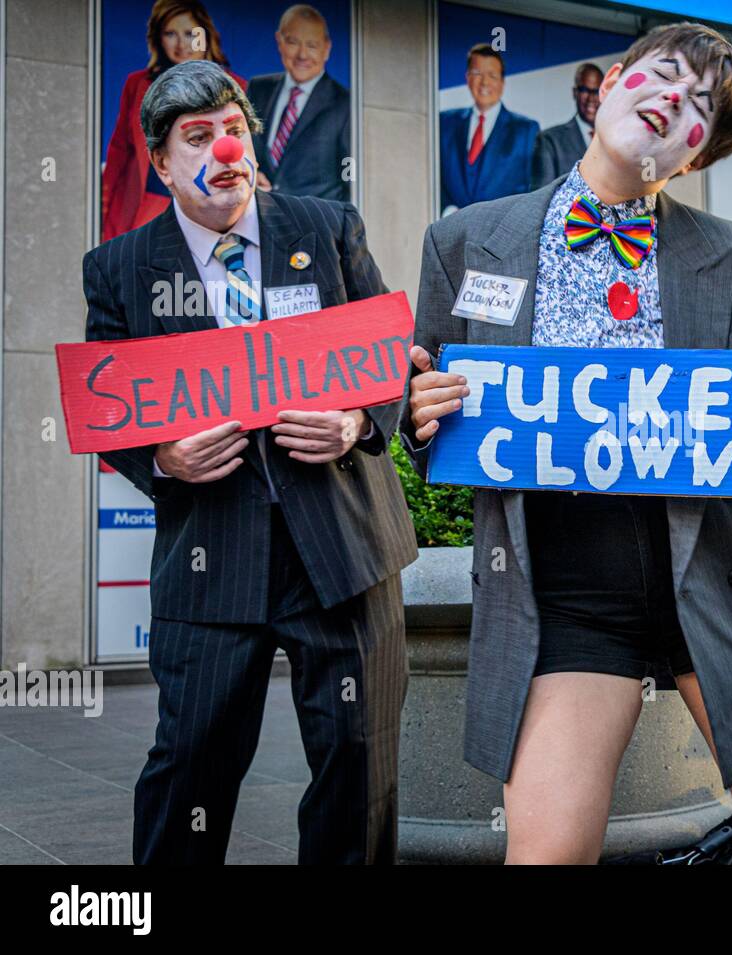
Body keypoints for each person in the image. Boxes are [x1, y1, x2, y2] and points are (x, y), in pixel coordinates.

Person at [403, 22, 732, 864]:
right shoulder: (466, 240)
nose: (670, 100)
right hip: (564, 594)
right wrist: (421, 409)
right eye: (661, 75)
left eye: (696, 106)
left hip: (719, 576)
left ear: (694, 157)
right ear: (611, 82)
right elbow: (433, 422)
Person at [83, 60, 417, 864]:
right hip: (211, 559)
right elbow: (108, 405)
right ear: (160, 165)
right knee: (189, 767)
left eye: (233, 128)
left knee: (356, 763)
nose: (223, 149)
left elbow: (392, 365)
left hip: (341, 550)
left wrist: (353, 422)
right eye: (197, 137)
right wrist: (161, 458)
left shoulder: (327, 229)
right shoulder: (120, 270)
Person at [101, 0, 245, 241]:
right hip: (148, 204)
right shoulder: (138, 84)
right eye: (170, 34)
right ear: (158, 38)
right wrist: (103, 207)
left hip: (209, 204)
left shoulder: (236, 87)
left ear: (206, 35)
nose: (181, 45)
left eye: (190, 34)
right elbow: (119, 152)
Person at [248, 4, 351, 202]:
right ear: (280, 41)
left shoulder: (346, 104)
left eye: (312, 45)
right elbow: (242, 146)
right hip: (259, 218)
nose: (302, 55)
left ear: (327, 48)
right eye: (293, 42)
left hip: (315, 226)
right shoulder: (258, 88)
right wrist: (250, 172)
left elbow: (350, 178)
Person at [438, 43, 540, 215]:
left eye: (492, 75)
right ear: (467, 78)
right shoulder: (444, 123)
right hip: (450, 231)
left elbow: (533, 191)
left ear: (502, 82)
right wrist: (448, 211)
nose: (484, 82)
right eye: (477, 73)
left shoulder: (526, 130)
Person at [530, 62, 603, 189]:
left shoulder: (615, 140)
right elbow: (541, 198)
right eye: (585, 90)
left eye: (596, 91)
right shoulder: (549, 140)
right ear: (575, 93)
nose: (591, 98)